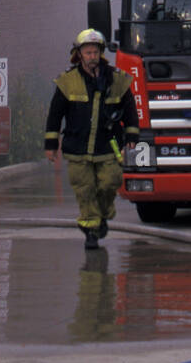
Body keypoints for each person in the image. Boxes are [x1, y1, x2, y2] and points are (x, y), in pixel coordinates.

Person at [44, 28, 140, 249]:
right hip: (77, 147)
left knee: (110, 182)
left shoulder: (117, 80)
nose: (92, 56)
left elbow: (130, 110)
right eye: (87, 52)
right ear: (79, 54)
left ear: (101, 53)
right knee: (84, 189)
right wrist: (51, 145)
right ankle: (91, 231)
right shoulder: (67, 82)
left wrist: (132, 135)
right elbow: (55, 115)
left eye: (95, 52)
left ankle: (103, 215)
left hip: (108, 144)